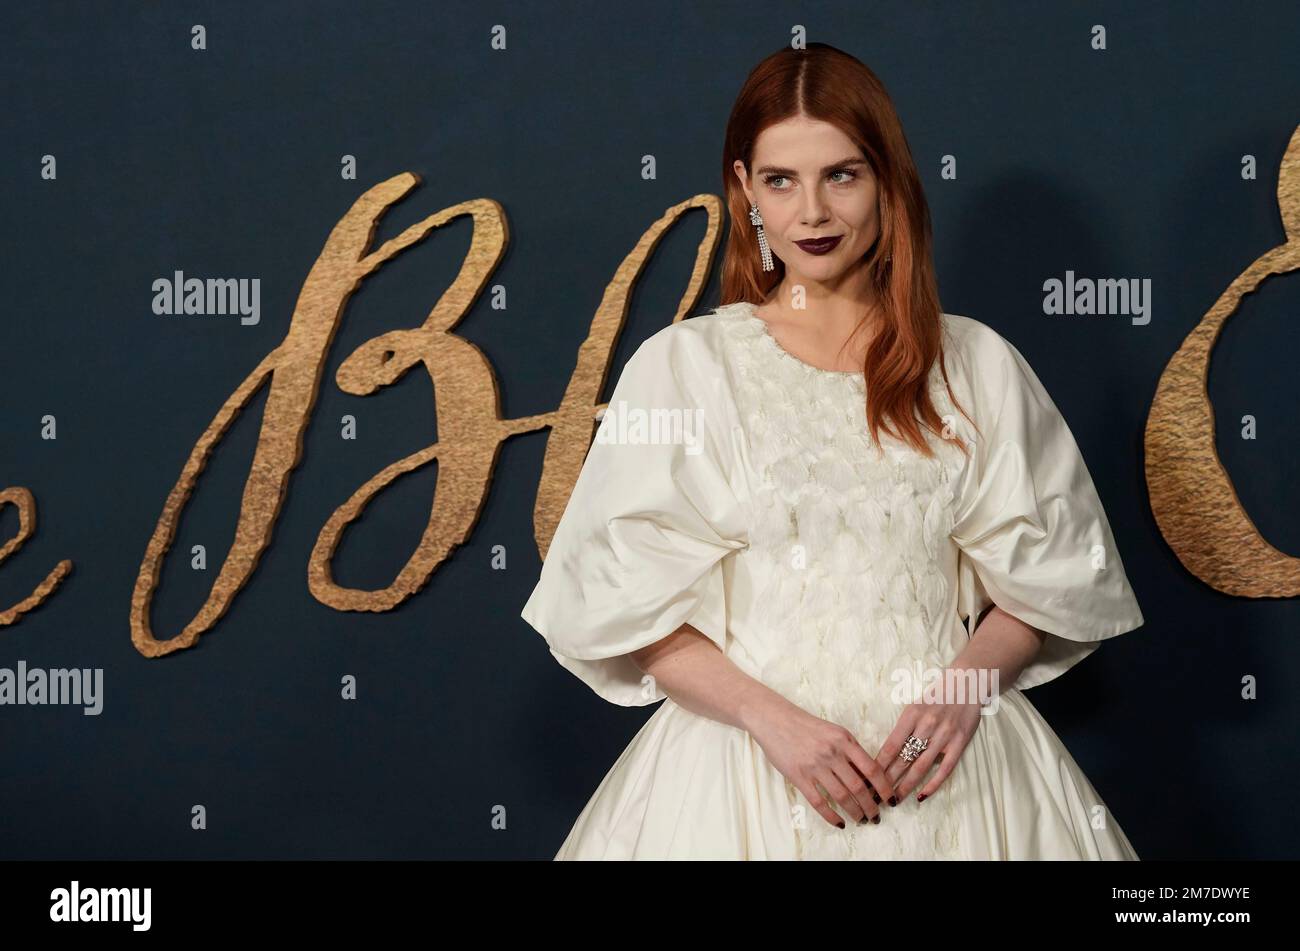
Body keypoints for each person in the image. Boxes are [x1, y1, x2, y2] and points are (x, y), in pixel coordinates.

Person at [520, 42, 1145, 860]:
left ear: (888, 181)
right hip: (742, 780)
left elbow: (1055, 575)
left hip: (950, 781)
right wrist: (769, 719)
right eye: (781, 180)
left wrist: (965, 687)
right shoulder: (687, 368)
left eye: (841, 175)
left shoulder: (974, 363)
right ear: (745, 190)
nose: (811, 212)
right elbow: (623, 607)